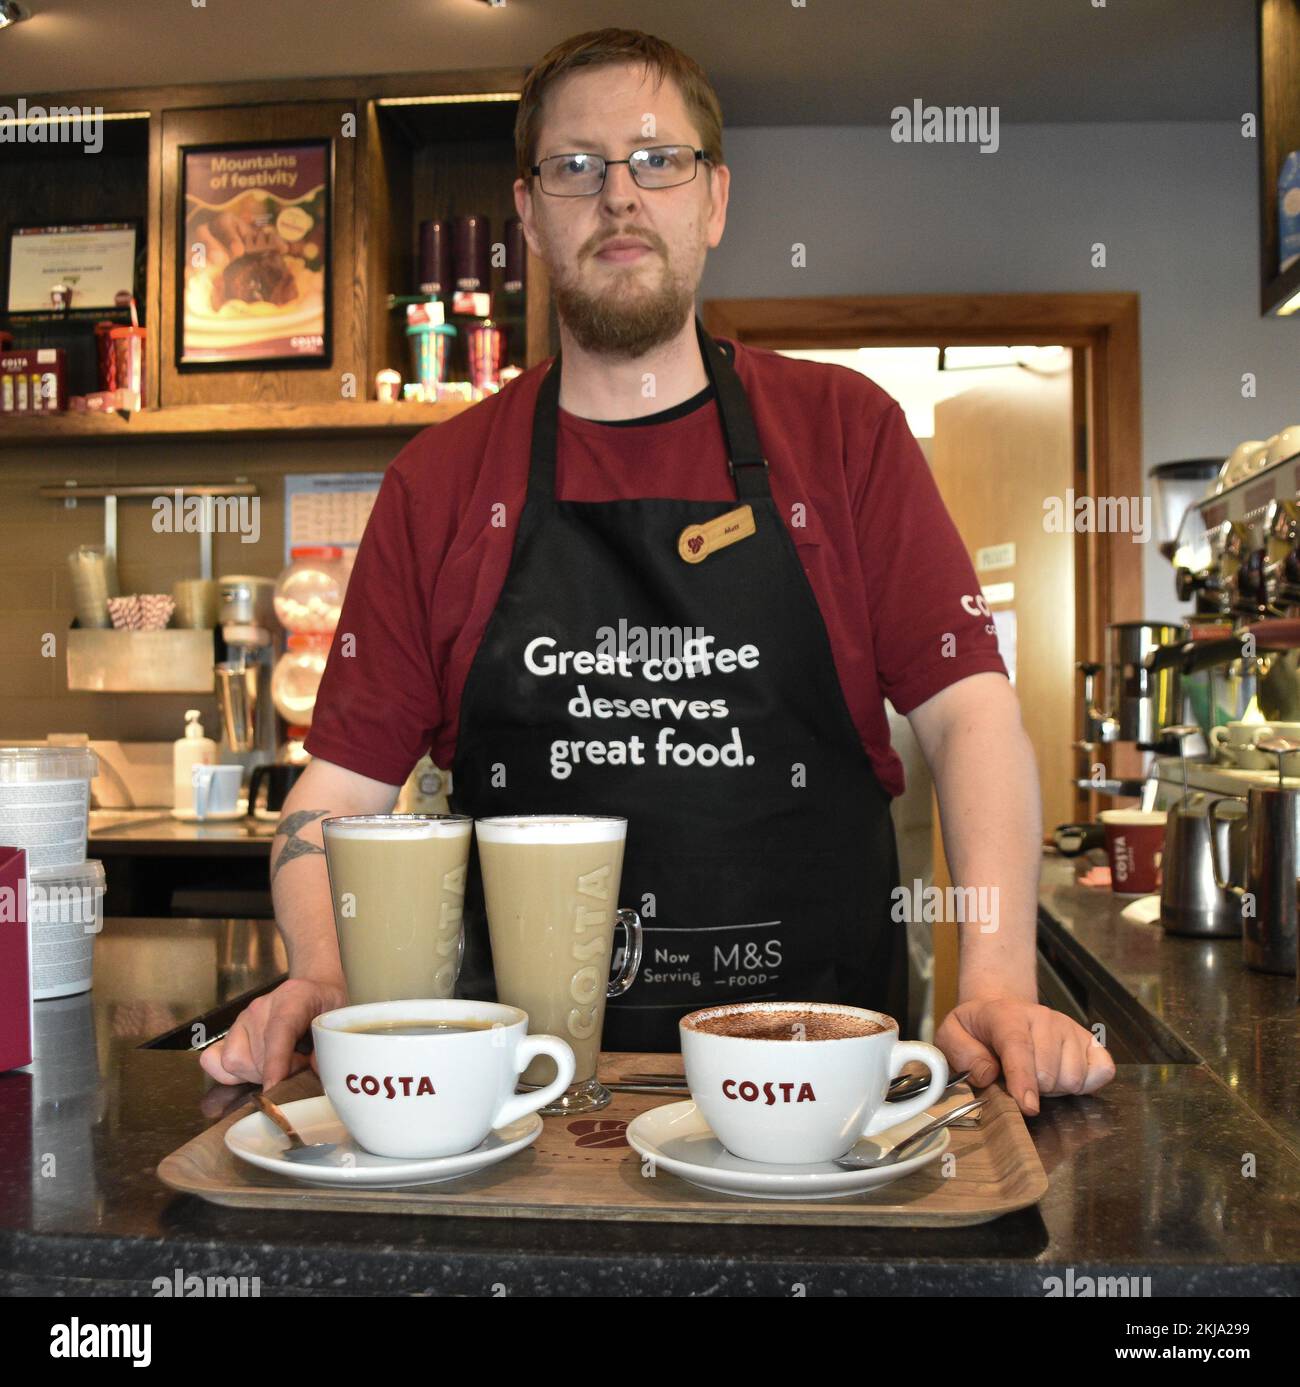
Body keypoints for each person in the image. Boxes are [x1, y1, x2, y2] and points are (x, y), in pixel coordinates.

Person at [202, 27, 1115, 1115]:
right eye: (575, 166)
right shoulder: (439, 481)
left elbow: (972, 716)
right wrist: (321, 972)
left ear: (714, 200)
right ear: (530, 215)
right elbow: (338, 793)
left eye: (657, 159)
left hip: (807, 1093)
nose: (618, 196)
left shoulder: (843, 434)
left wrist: (999, 981)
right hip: (520, 1106)